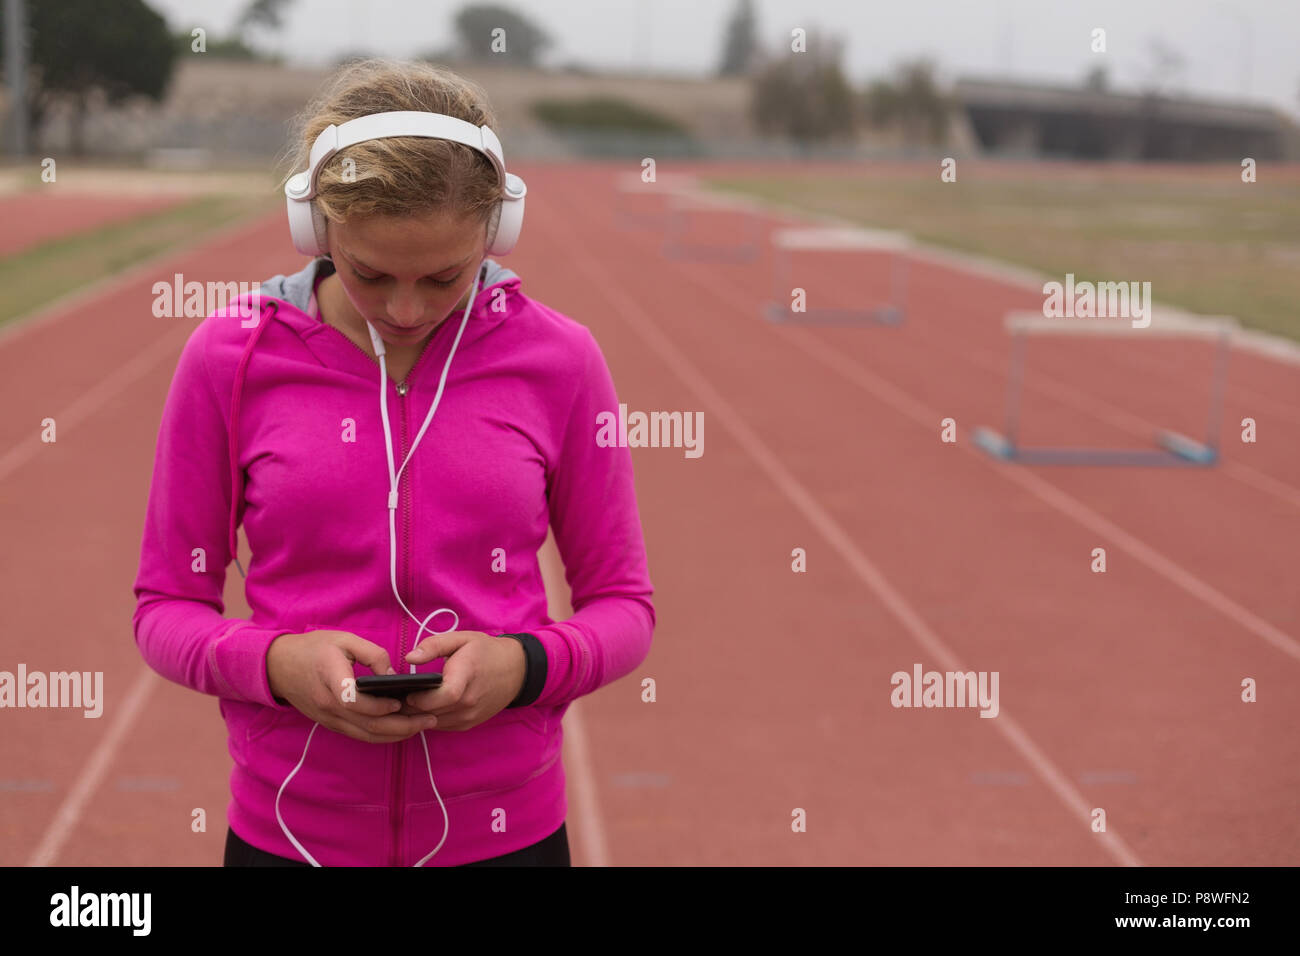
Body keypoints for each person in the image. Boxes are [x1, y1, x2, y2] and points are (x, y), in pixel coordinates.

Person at [131, 58, 655, 867]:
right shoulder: (228, 359)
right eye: (370, 274)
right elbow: (165, 607)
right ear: (316, 230)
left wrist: (524, 665)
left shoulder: (561, 361)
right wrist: (276, 664)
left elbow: (624, 607)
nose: (406, 311)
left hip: (506, 837)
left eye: (444, 277)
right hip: (290, 835)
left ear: (495, 233)